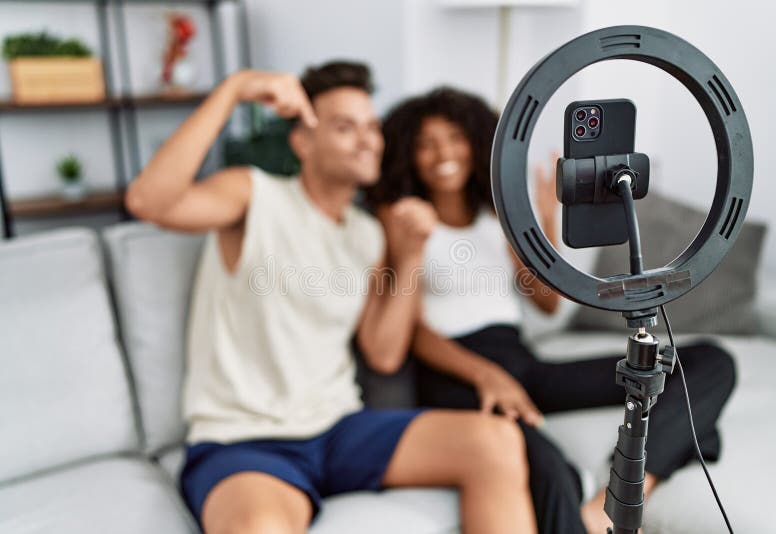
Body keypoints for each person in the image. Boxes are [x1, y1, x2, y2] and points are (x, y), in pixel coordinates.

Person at [125, 63, 537, 534]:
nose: (367, 141)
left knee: (494, 441)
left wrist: (411, 254)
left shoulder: (366, 234)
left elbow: (383, 354)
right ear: (302, 142)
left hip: (340, 428)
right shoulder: (253, 196)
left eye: (371, 127)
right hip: (247, 440)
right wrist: (235, 89)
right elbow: (148, 202)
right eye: (345, 127)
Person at [367, 87, 737, 534]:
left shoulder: (496, 213)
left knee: (708, 362)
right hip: (456, 375)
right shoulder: (400, 216)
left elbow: (545, 303)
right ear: (408, 153)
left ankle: (621, 494)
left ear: (475, 142)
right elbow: (410, 330)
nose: (443, 153)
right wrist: (485, 375)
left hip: (521, 362)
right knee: (549, 469)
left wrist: (542, 230)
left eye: (454, 137)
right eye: (426, 143)